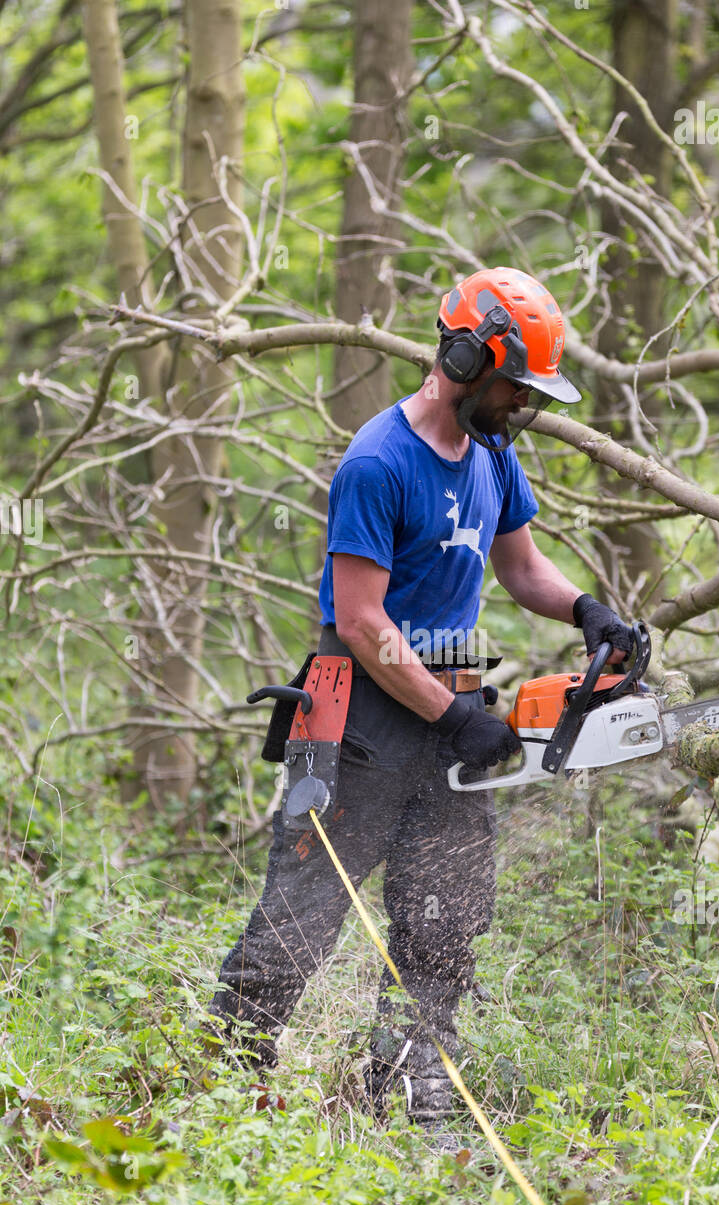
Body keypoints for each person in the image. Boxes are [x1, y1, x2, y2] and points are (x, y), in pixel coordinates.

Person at [209, 266, 632, 1139]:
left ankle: (414, 1091)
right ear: (466, 357)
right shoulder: (377, 461)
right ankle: (219, 1081)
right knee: (304, 912)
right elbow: (362, 624)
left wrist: (587, 609)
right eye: (516, 386)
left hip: (452, 708)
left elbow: (519, 569)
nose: (523, 405)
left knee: (444, 915)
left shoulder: (494, 456)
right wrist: (453, 718)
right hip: (357, 716)